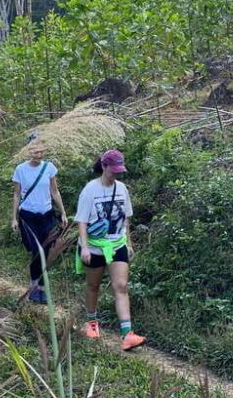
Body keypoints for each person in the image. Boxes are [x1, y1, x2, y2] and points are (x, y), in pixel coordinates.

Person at [75, 149, 146, 351]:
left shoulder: (122, 188)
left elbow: (126, 218)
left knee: (121, 285)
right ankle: (91, 323)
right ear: (104, 166)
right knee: (93, 286)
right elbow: (81, 221)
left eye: (118, 171)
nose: (116, 174)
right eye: (112, 170)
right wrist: (85, 247)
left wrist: (129, 243)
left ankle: (127, 334)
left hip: (117, 244)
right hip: (95, 247)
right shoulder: (90, 189)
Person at [11, 141, 68, 304]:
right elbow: (16, 194)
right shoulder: (20, 170)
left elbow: (54, 191)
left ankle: (41, 288)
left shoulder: (49, 167)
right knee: (36, 251)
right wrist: (13, 218)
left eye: (41, 152)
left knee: (46, 250)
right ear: (28, 151)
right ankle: (34, 286)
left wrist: (63, 212)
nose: (39, 155)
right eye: (35, 152)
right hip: (28, 216)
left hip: (47, 215)